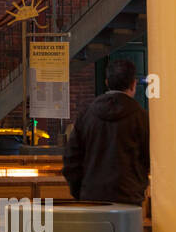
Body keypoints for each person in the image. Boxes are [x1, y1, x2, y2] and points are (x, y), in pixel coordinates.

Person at [63, 58, 150, 206]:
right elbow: (149, 158)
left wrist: (80, 192)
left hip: (92, 196)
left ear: (107, 83)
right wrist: (139, 187)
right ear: (133, 84)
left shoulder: (87, 114)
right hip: (128, 196)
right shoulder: (141, 117)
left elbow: (71, 159)